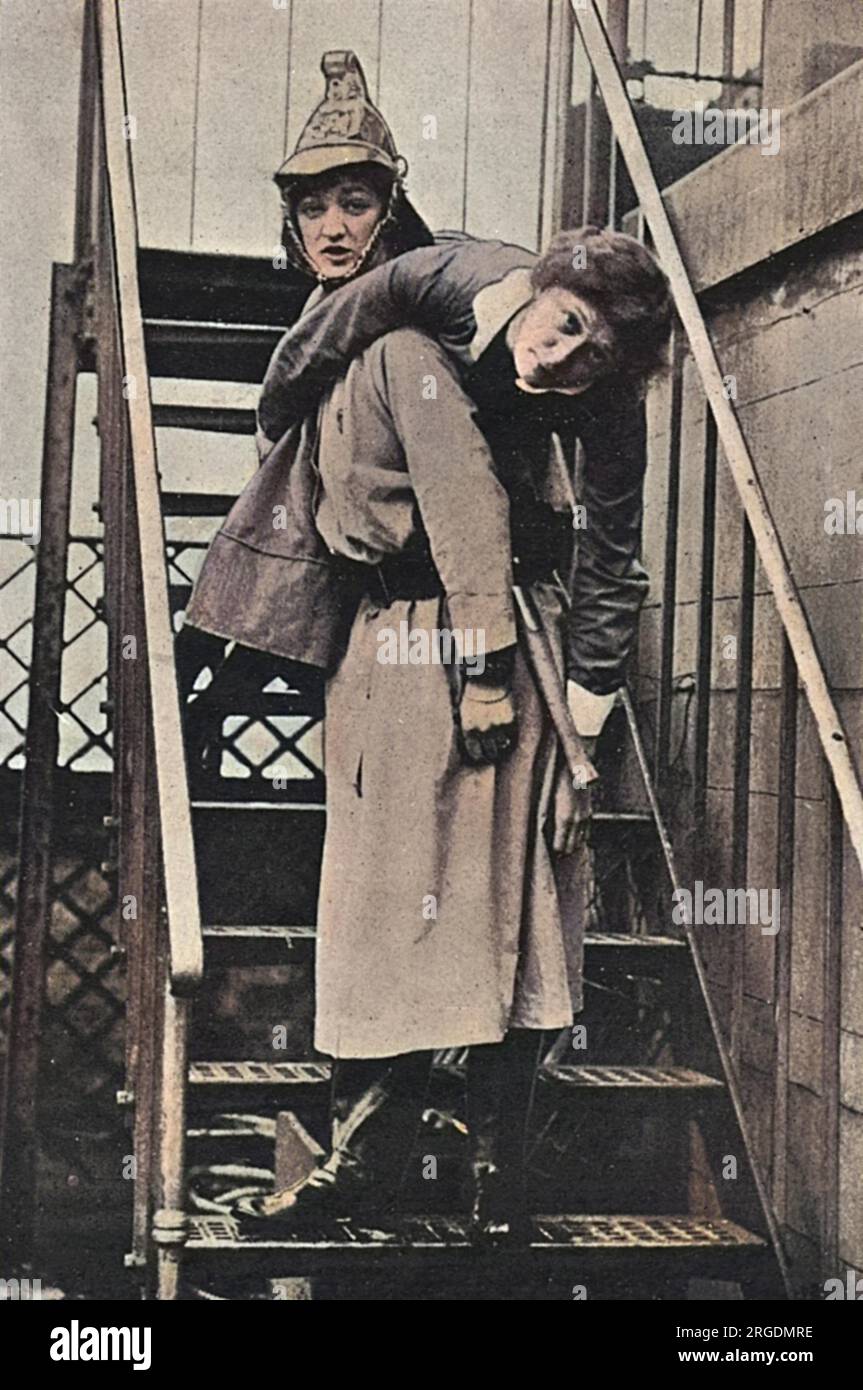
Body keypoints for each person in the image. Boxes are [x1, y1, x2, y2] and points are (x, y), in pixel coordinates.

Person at [227, 226, 673, 1239]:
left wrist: (586, 716)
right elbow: (303, 357)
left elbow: (612, 551)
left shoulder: (606, 404)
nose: (558, 358)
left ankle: (494, 1185)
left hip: (512, 631)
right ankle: (363, 1164)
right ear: (538, 288)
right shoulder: (424, 296)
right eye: (561, 327)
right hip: (391, 639)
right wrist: (278, 428)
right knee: (385, 899)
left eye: (592, 353)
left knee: (518, 898)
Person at [179, 48, 434, 717]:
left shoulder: (401, 294)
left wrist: (273, 419)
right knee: (279, 508)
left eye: (354, 205)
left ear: (387, 211)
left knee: (288, 524)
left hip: (387, 536)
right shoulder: (323, 299)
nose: (332, 228)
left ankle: (197, 687)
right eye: (312, 209)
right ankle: (188, 687)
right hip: (312, 511)